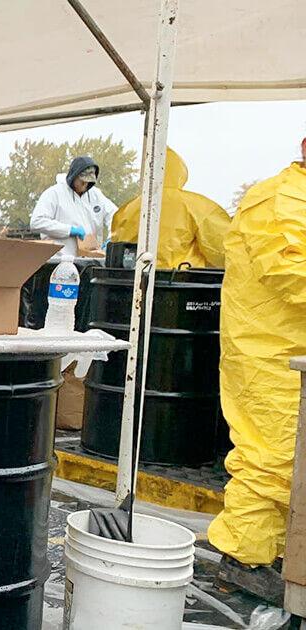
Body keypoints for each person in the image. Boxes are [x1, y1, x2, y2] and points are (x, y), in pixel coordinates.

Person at [207, 136, 306, 579]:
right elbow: (290, 272)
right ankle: (245, 558)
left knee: (290, 459)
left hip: (288, 351)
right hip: (269, 356)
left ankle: (281, 552)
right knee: (271, 456)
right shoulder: (279, 198)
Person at [111, 148, 230, 269]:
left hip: (135, 281)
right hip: (181, 282)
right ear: (180, 173)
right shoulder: (199, 207)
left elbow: (118, 250)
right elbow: (224, 252)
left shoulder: (127, 209)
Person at [30, 157, 118, 257]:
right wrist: (69, 230)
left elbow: (115, 215)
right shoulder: (54, 193)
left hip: (89, 260)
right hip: (59, 260)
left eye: (89, 182)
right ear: (73, 176)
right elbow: (36, 222)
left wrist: (112, 238)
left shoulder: (96, 195)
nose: (85, 185)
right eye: (82, 181)